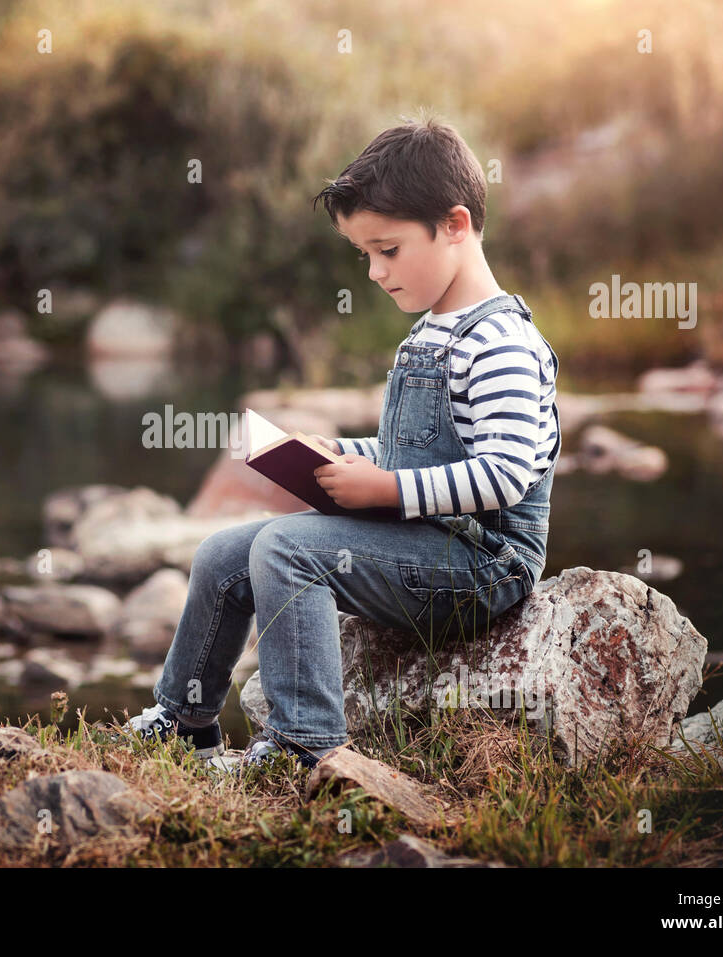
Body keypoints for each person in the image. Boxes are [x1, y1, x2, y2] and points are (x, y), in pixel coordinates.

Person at [119, 114, 562, 772]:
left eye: (388, 249)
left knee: (288, 549)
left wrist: (383, 488)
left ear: (456, 224)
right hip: (426, 538)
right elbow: (417, 448)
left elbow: (504, 474)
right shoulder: (431, 329)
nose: (376, 273)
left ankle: (305, 744)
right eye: (365, 256)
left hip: (482, 563)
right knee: (221, 553)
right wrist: (342, 452)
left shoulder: (498, 341)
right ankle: (187, 719)